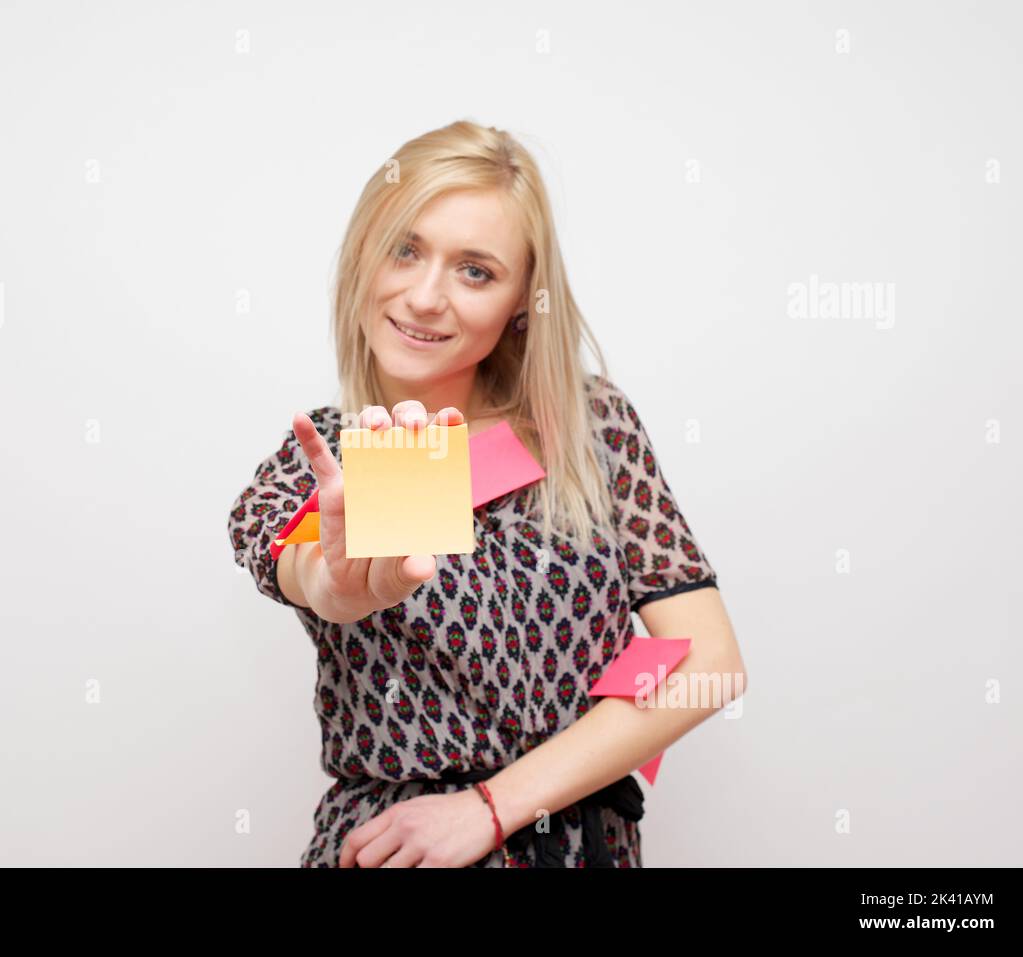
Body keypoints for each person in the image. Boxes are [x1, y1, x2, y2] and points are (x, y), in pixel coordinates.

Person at [227, 120, 746, 868]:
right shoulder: (326, 462)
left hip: (580, 844)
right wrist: (337, 581)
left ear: (521, 302)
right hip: (400, 850)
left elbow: (707, 659)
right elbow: (320, 579)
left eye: (476, 270)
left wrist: (494, 806)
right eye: (406, 248)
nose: (426, 296)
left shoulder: (590, 429)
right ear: (364, 255)